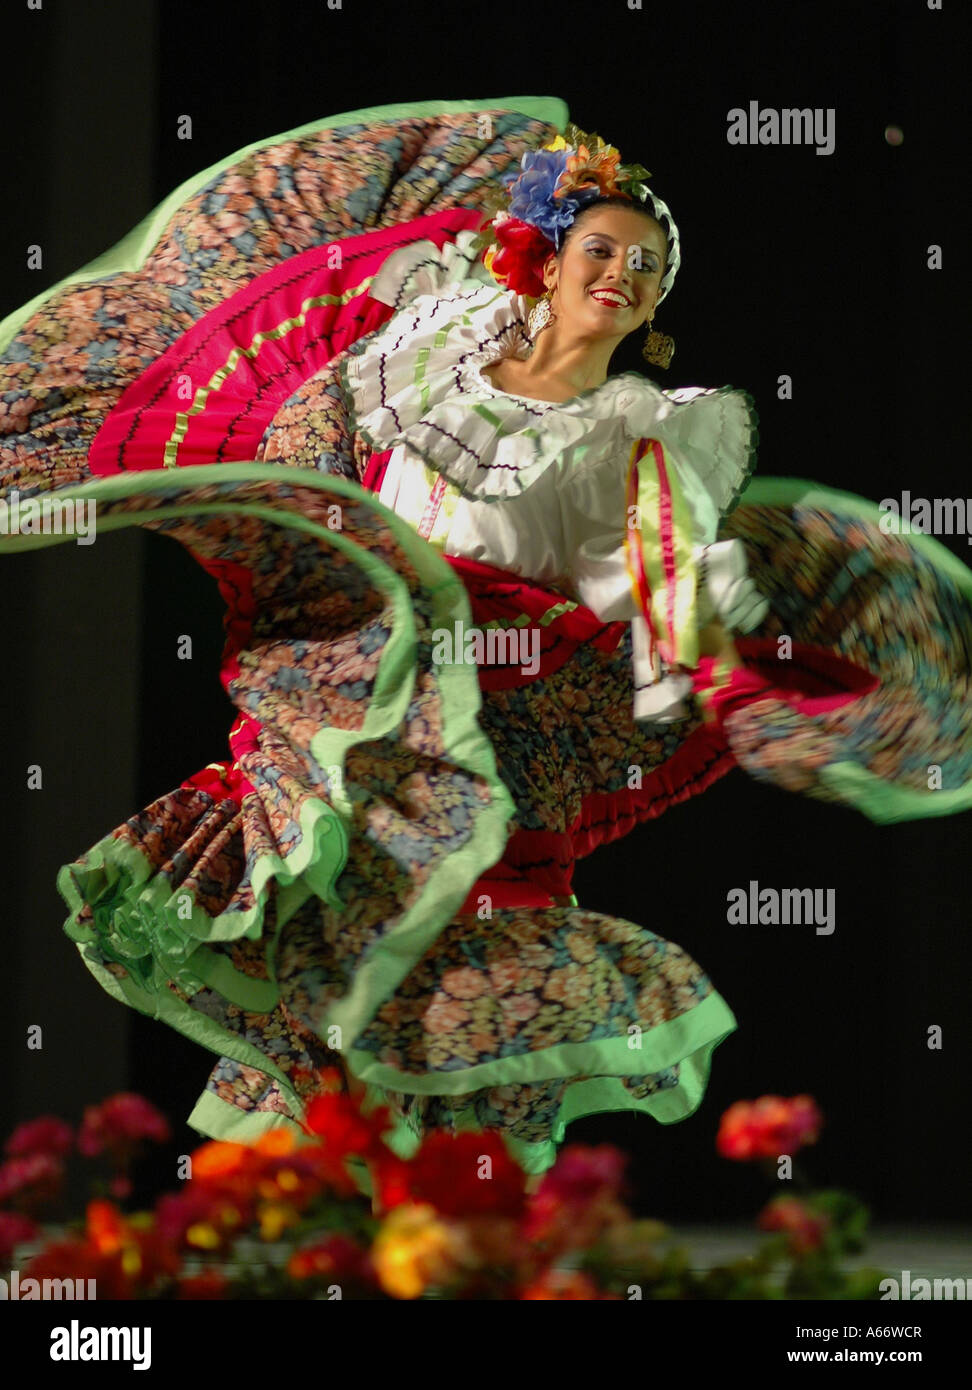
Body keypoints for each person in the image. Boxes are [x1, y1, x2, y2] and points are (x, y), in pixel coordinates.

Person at [2, 100, 971, 1182]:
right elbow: (319, 461)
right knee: (317, 962)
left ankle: (446, 1230)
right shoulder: (424, 350)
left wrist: (740, 663)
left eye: (648, 268)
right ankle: (327, 1219)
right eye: (602, 251)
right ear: (546, 260)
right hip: (359, 710)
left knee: (444, 991)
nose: (624, 277)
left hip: (494, 732)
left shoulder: (646, 437)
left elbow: (666, 582)